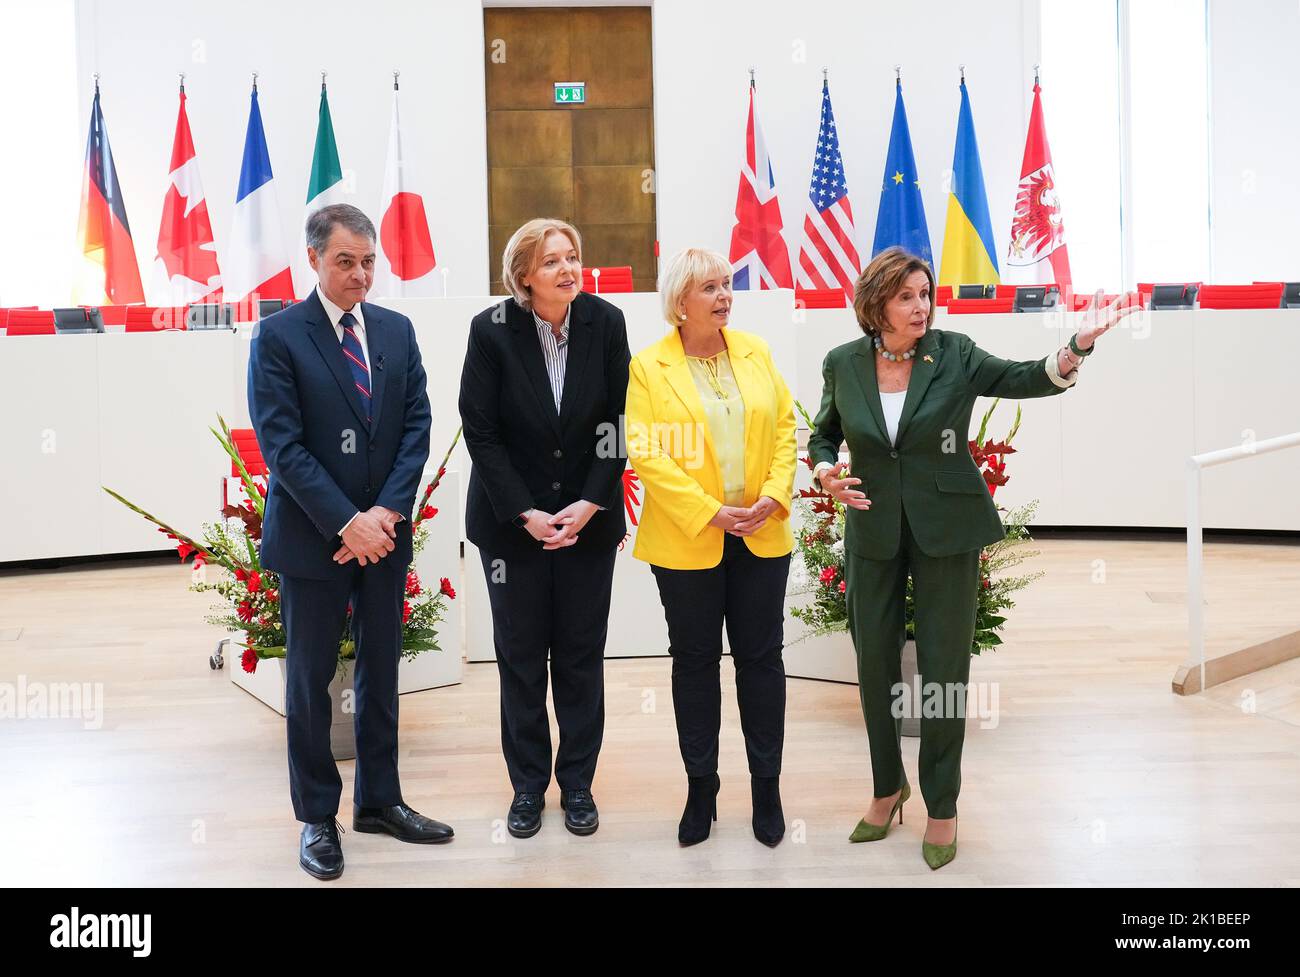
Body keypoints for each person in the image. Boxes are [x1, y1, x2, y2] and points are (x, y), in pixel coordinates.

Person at [809, 246, 1137, 869]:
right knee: (874, 661)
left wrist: (1078, 345)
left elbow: (1024, 377)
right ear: (875, 303)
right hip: (872, 529)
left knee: (943, 670)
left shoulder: (954, 352)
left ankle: (942, 804)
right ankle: (887, 787)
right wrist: (826, 468)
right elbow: (825, 432)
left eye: (925, 294)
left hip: (948, 529)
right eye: (906, 296)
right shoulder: (842, 363)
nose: (921, 307)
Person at [249, 203, 452, 882]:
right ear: (314, 259)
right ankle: (317, 817)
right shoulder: (278, 336)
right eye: (345, 261)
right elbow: (284, 445)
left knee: (381, 671)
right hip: (314, 542)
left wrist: (386, 513)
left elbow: (416, 424)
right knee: (309, 682)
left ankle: (379, 800)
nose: (360, 274)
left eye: (368, 261)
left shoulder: (396, 330)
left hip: (383, 537)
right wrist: (348, 522)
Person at [458, 218, 630, 838]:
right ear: (523, 275)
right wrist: (525, 512)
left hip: (588, 523)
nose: (567, 269)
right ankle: (528, 786)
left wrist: (589, 502)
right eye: (552, 260)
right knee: (523, 658)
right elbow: (481, 431)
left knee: (581, 657)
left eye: (573, 256)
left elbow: (618, 421)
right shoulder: (492, 330)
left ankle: (578, 784)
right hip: (512, 529)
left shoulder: (605, 323)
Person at [625, 247, 797, 847]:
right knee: (695, 663)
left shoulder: (756, 351)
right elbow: (647, 451)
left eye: (727, 285)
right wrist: (711, 512)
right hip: (687, 541)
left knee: (761, 662)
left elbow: (784, 427)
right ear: (680, 302)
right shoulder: (650, 366)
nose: (724, 296)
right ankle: (702, 788)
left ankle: (767, 789)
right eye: (709, 288)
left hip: (762, 534)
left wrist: (774, 497)